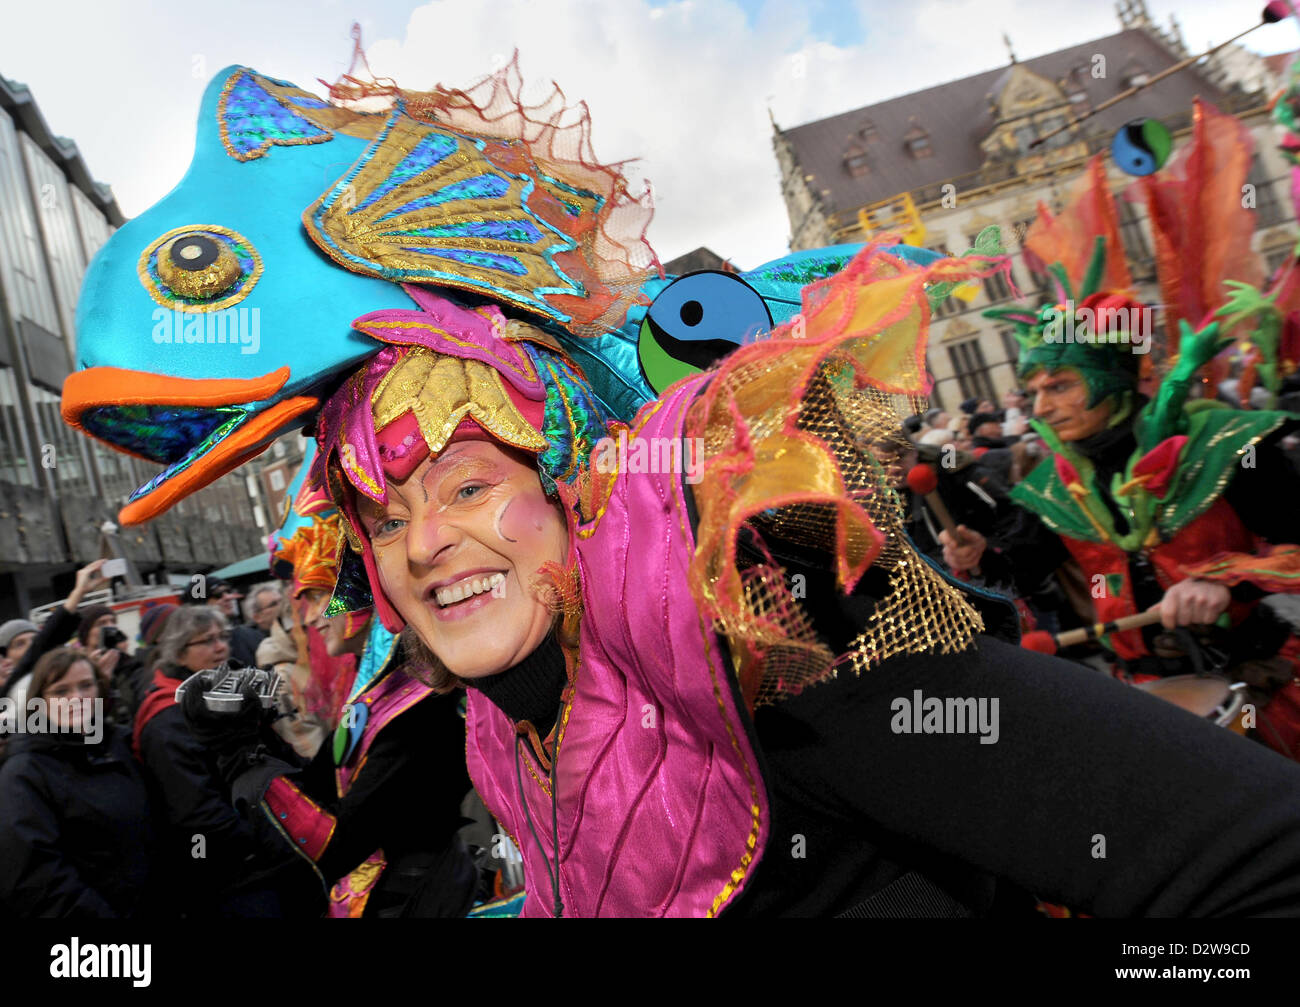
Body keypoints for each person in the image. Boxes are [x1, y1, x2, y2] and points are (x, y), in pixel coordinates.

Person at [306, 242, 1300, 918]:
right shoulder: (499, 730)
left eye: (469, 485)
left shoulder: (784, 666)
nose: (425, 539)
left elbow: (1265, 859)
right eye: (383, 519)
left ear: (572, 482)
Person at [952, 238, 1300, 757]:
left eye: (1062, 386)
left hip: (1264, 689)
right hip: (1148, 706)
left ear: (1112, 379)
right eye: (1034, 392)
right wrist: (978, 561)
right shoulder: (1053, 487)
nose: (1042, 408)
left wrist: (1228, 583)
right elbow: (1016, 577)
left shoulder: (1224, 446)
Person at [184, 509, 478, 918]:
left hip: (419, 898)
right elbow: (325, 784)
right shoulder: (377, 689)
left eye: (320, 596)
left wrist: (247, 758)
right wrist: (260, 743)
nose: (309, 619)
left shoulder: (419, 697)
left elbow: (335, 845)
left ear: (362, 590)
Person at [133, 605, 318, 917]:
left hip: (278, 848)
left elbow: (273, 752)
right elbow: (198, 811)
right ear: (179, 653)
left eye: (222, 637)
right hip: (241, 874)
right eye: (206, 641)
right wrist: (272, 839)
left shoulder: (226, 692)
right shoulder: (166, 718)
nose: (220, 647)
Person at [0, 648, 157, 916]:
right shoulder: (23, 772)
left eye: (86, 685)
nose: (78, 698)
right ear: (39, 702)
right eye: (61, 691)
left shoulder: (122, 743)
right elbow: (37, 880)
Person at [230, 582, 282, 667]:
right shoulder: (247, 642)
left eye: (281, 601)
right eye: (274, 604)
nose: (282, 605)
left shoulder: (294, 628)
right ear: (257, 617)